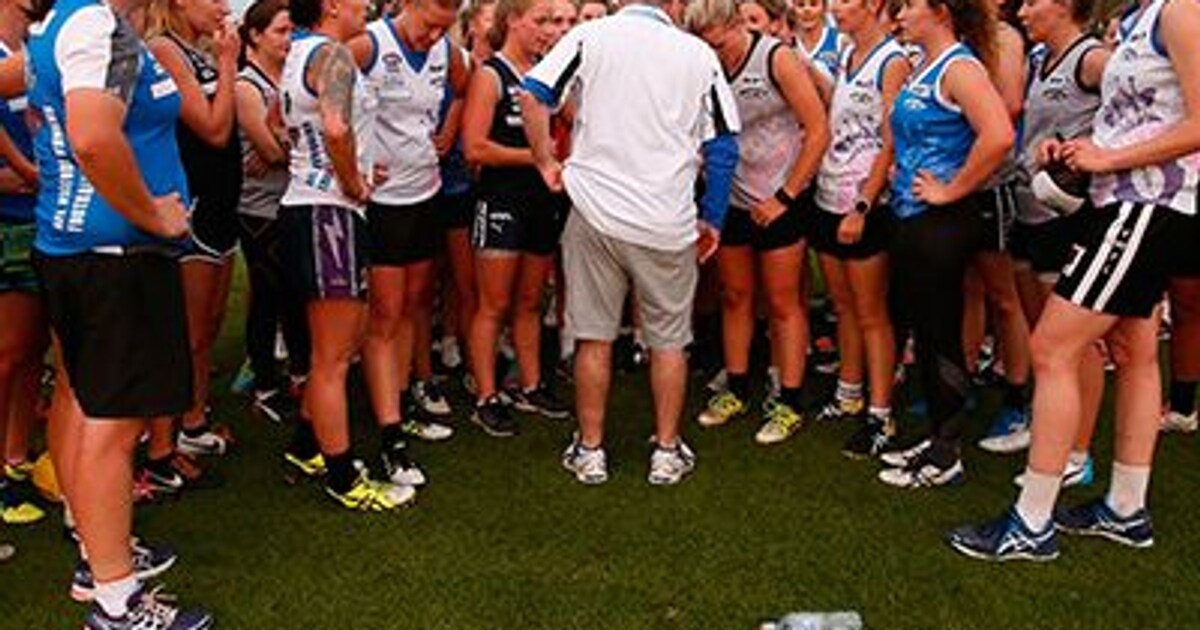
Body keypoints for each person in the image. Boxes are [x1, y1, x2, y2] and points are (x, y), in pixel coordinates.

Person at [948, 0, 1200, 561]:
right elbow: (1140, 115)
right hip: (1129, 199)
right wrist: (1077, 151)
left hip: (1147, 202)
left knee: (1053, 348)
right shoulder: (1139, 20)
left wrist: (1110, 160)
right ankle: (1124, 509)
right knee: (1133, 350)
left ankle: (1032, 522)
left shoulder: (1180, 12)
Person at [24, 0, 210, 622]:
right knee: (116, 423)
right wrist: (154, 214)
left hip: (84, 249)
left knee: (85, 399)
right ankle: (116, 598)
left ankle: (96, 548)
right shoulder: (92, 25)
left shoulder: (88, 27)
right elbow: (93, 139)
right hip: (112, 256)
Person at [520, 0, 740, 485]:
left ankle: (591, 449)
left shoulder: (592, 35)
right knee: (668, 341)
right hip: (667, 219)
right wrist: (714, 218)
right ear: (675, 5)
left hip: (595, 211)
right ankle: (665, 450)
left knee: (594, 336)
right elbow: (724, 143)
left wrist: (544, 161)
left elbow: (533, 92)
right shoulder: (696, 54)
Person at [278, 0, 422, 510]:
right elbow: (336, 128)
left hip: (312, 208)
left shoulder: (299, 51)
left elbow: (310, 130)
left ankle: (305, 447)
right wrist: (353, 181)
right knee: (334, 357)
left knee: (334, 349)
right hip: (328, 212)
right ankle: (343, 478)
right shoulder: (332, 55)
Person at [875, 0, 1014, 488]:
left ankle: (947, 450)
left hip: (942, 221)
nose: (900, 15)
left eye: (909, 5)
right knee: (926, 330)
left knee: (940, 334)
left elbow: (998, 135)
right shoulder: (926, 65)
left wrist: (954, 188)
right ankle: (936, 435)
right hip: (913, 216)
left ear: (940, 11)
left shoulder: (960, 67)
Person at [685, 0, 829, 446]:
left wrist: (785, 196)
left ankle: (788, 399)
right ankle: (738, 387)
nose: (714, 52)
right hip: (730, 199)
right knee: (734, 295)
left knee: (784, 301)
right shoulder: (704, 66)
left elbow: (818, 128)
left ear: (734, 24)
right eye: (704, 45)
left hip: (780, 197)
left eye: (718, 41)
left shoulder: (775, 58)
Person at [347, 0, 464, 450]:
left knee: (416, 303)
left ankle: (399, 397)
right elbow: (312, 93)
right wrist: (352, 159)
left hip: (425, 191)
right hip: (382, 202)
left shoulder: (448, 51)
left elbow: (468, 83)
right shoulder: (368, 43)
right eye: (429, 25)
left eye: (444, 29)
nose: (433, 37)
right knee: (386, 313)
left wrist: (449, 130)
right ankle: (386, 421)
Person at [1001, 0, 1108, 489]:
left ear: (1064, 6)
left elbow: (1142, 109)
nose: (1021, 11)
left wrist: (1092, 153)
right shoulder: (1042, 57)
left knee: (1071, 341)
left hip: (1066, 216)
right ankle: (1048, 426)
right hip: (1029, 204)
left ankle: (1078, 451)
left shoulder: (1091, 59)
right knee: (1037, 327)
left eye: (1032, 2)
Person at [463, 0, 569, 436]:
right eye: (540, 21)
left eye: (552, 21)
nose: (548, 30)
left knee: (530, 301)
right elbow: (475, 148)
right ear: (512, 22)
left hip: (541, 202)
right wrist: (537, 157)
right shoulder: (491, 75)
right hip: (501, 200)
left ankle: (530, 384)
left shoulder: (548, 74)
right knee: (494, 305)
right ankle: (486, 395)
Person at [810, 0, 909, 459]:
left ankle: (881, 412)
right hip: (829, 194)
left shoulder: (892, 61)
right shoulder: (847, 55)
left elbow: (892, 139)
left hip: (864, 202)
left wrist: (865, 204)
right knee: (844, 304)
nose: (835, 8)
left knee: (872, 312)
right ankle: (848, 391)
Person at [146, 0, 243, 461]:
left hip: (221, 204)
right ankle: (162, 436)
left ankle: (193, 418)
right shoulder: (166, 49)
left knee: (206, 328)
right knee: (183, 332)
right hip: (194, 202)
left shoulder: (199, 49)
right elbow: (213, 129)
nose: (224, 8)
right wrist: (229, 63)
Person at [235, 0, 309, 425]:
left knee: (296, 294)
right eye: (280, 31)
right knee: (270, 294)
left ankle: (298, 372)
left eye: (291, 31)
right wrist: (289, 145)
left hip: (292, 197)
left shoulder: (291, 76)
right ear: (256, 36)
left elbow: (283, 146)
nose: (288, 40)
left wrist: (284, 144)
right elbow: (267, 150)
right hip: (259, 207)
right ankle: (264, 383)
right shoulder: (248, 85)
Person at [0, 0, 48, 528]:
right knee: (8, 354)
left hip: (39, 216)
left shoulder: (30, 49)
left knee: (32, 348)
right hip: (9, 219)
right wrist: (17, 169)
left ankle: (17, 458)